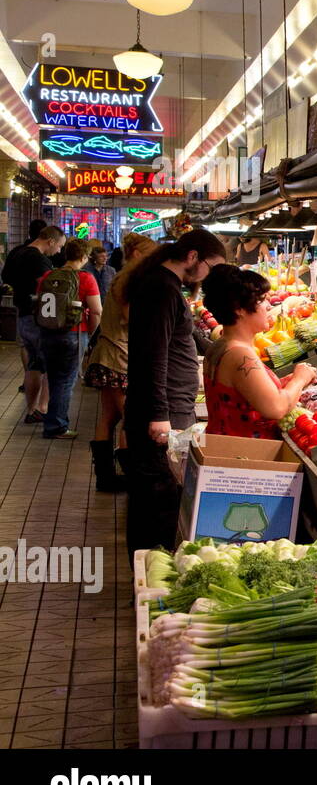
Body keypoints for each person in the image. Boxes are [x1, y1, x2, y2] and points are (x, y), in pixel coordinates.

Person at [124, 229, 227, 553]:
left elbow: (179, 338)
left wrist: (217, 347)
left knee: (160, 494)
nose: (209, 278)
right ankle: (149, 568)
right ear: (193, 257)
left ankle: (149, 564)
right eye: (212, 267)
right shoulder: (161, 289)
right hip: (161, 410)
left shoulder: (164, 286)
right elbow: (152, 356)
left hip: (168, 404)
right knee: (158, 496)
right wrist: (159, 416)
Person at [201, 266, 317, 438]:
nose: (268, 305)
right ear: (239, 309)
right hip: (246, 455)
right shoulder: (240, 355)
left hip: (226, 447)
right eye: (261, 300)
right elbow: (276, 408)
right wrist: (300, 379)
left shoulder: (221, 344)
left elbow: (241, 395)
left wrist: (284, 383)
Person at [84, 234, 159, 491]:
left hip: (108, 353)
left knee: (110, 416)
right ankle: (128, 475)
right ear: (137, 254)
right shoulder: (129, 281)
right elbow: (134, 319)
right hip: (119, 355)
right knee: (130, 418)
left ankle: (106, 476)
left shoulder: (121, 278)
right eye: (151, 256)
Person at [36, 238, 101, 440]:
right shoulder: (86, 278)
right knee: (65, 381)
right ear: (84, 257)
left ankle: (52, 421)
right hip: (73, 333)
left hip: (47, 333)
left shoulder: (47, 275)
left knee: (54, 378)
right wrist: (92, 335)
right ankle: (56, 426)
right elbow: (97, 310)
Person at [2, 226, 66, 424]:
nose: (58, 252)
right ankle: (42, 408)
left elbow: (6, 278)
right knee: (49, 365)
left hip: (22, 314)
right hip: (39, 317)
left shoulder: (16, 252)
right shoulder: (39, 259)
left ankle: (31, 410)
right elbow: (48, 287)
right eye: (59, 247)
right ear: (51, 241)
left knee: (33, 364)